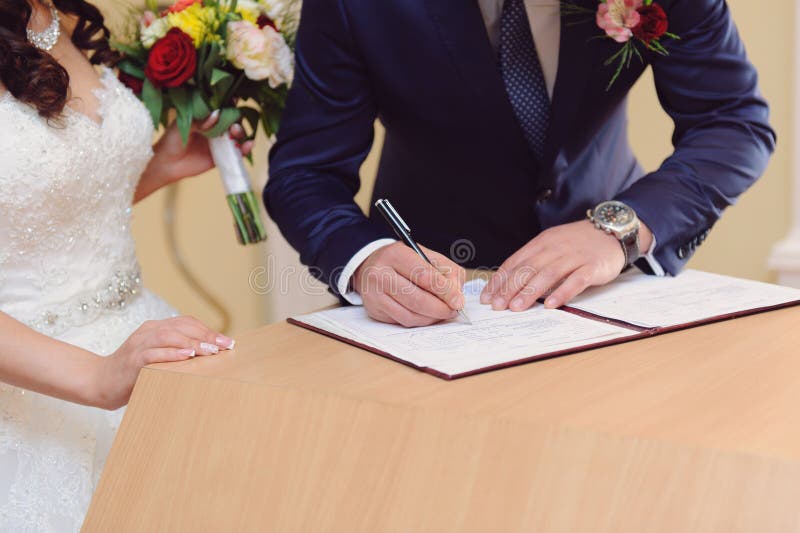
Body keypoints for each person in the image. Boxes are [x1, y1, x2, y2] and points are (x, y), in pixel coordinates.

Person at [265, 0, 775, 328]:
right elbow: (305, 173)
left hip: (610, 286)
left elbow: (732, 121)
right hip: (435, 304)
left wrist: (622, 229)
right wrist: (366, 260)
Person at [0, 1, 249, 529]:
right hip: (37, 388)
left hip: (144, 347)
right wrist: (97, 375)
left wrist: (163, 166)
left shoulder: (51, 13)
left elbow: (35, 217)